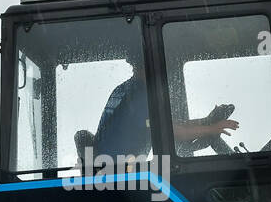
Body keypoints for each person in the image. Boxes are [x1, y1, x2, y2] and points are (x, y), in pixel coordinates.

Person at [92, 59, 239, 162]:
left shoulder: (130, 89)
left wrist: (205, 122)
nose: (166, 74)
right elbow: (171, 132)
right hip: (119, 174)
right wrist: (212, 129)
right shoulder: (140, 97)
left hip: (117, 169)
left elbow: (164, 123)